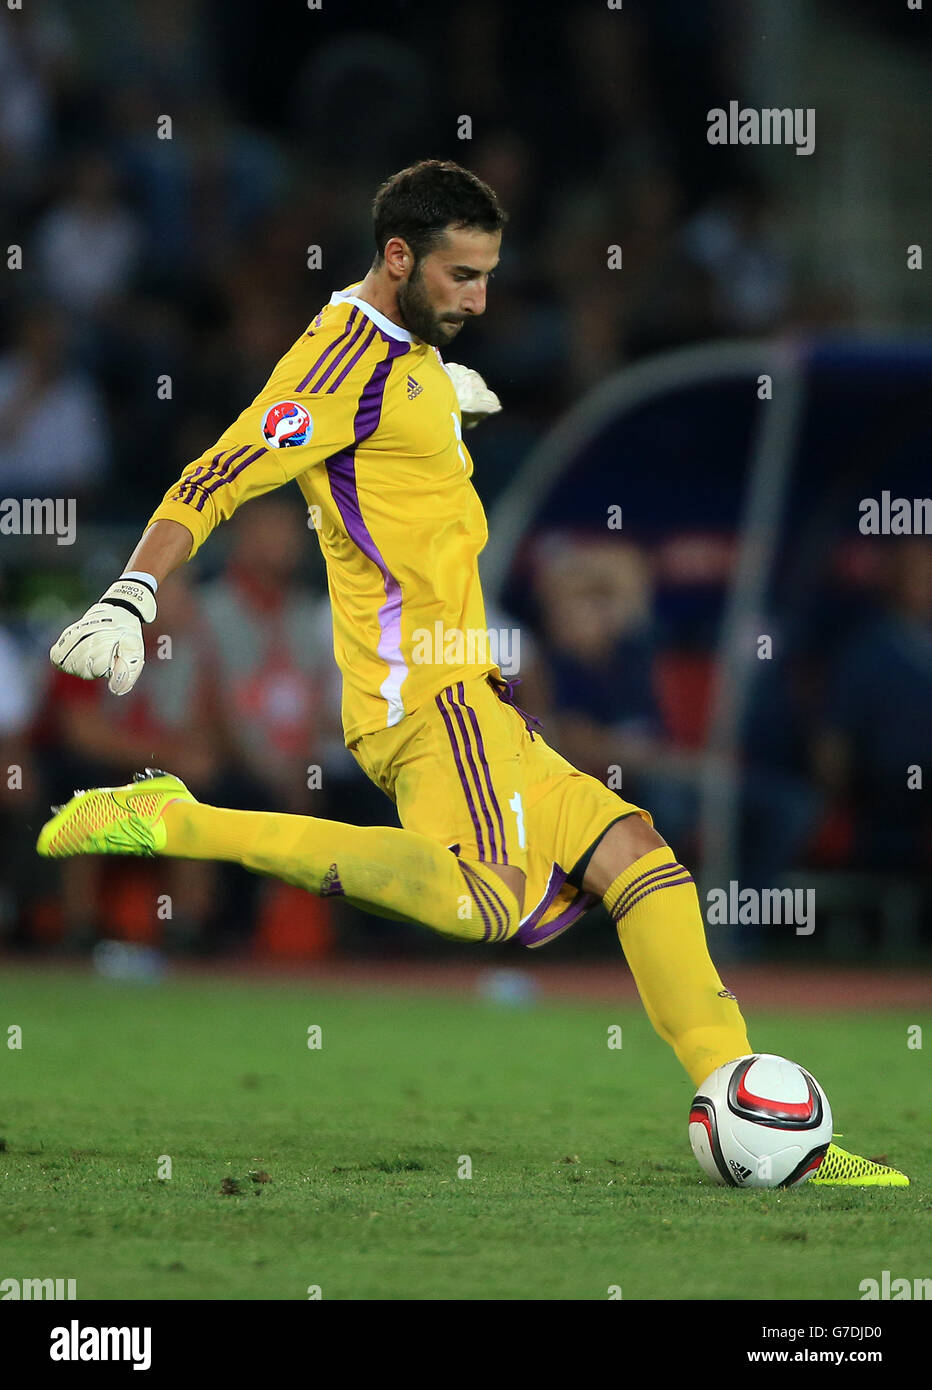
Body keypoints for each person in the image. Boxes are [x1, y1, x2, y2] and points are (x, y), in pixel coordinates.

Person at [37, 159, 904, 1186]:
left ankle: (753, 1110)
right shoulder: (336, 368)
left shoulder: (404, 355)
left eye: (488, 275)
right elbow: (217, 472)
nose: (478, 298)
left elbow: (402, 471)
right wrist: (134, 592)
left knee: (635, 853)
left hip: (468, 690)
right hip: (419, 694)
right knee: (492, 903)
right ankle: (182, 820)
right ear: (396, 255)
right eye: (458, 275)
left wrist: (440, 410)